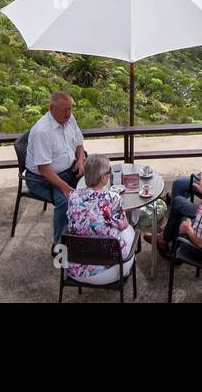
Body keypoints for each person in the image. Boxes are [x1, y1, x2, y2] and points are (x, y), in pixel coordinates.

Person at [24, 90, 85, 245]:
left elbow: (79, 143)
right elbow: (44, 169)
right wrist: (65, 187)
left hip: (69, 169)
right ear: (51, 109)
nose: (68, 113)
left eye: (70, 108)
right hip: (42, 179)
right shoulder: (42, 131)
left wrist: (80, 161)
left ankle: (84, 230)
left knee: (94, 184)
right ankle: (60, 243)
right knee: (65, 201)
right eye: (64, 110)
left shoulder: (70, 120)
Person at [63, 154, 136, 284]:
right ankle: (125, 273)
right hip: (104, 272)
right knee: (129, 230)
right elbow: (123, 225)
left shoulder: (73, 196)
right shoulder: (113, 198)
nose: (110, 174)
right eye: (109, 171)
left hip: (73, 269)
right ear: (103, 178)